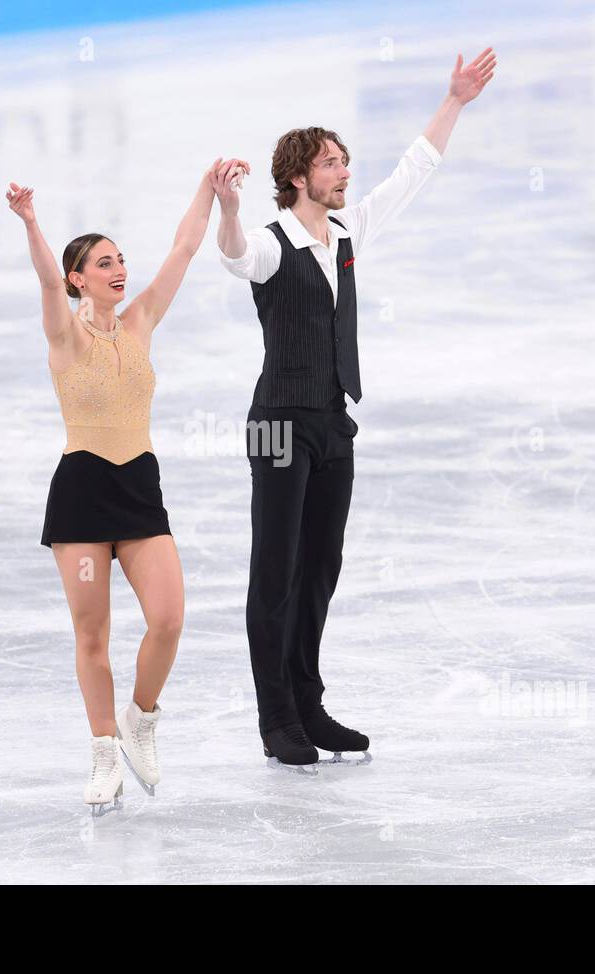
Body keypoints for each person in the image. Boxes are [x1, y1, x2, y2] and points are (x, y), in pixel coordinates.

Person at [216, 48, 497, 769]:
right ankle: (275, 715)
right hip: (278, 423)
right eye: (333, 163)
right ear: (298, 177)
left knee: (321, 567)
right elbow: (235, 253)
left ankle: (307, 701)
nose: (345, 172)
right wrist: (226, 207)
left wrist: (455, 101)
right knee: (274, 569)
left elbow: (414, 171)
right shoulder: (274, 246)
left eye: (345, 160)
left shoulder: (346, 234)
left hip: (332, 422)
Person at [6, 157, 250, 813]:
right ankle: (103, 752)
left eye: (120, 259)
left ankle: (142, 720)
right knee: (93, 637)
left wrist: (208, 187)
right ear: (78, 279)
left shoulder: (140, 321)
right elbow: (45, 284)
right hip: (83, 496)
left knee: (168, 618)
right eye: (104, 263)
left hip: (139, 488)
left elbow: (186, 246)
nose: (119, 269)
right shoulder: (64, 334)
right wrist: (32, 221)